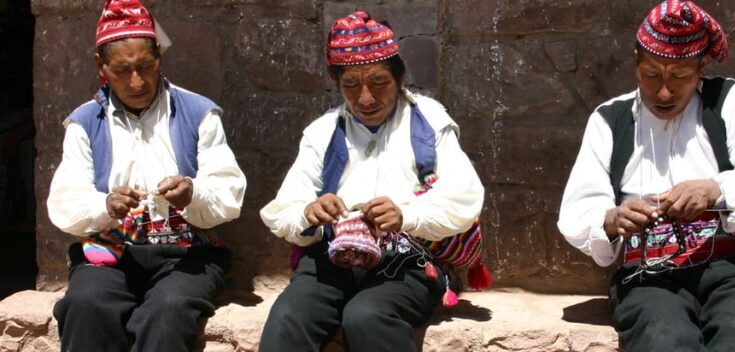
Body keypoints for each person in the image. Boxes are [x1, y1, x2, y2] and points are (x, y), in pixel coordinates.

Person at [558, 1, 735, 351]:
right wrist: (612, 218)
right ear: (636, 64)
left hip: (734, 270)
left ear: (701, 68)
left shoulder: (727, 100)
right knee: (665, 339)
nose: (664, 91)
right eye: (652, 74)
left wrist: (715, 190)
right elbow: (576, 212)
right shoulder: (609, 120)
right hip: (649, 277)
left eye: (679, 76)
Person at [258, 11, 484, 352]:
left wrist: (407, 216)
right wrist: (309, 213)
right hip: (333, 257)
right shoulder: (323, 132)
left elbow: (465, 198)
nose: (365, 98)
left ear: (399, 77)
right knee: (290, 315)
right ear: (336, 82)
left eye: (379, 82)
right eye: (351, 84)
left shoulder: (430, 123)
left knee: (367, 316)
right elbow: (281, 209)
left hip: (407, 259)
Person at [47, 0, 246, 350]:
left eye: (145, 66)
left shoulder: (199, 113)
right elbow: (65, 202)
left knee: (168, 312)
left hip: (187, 256)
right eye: (122, 70)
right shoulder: (83, 123)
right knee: (85, 305)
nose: (136, 81)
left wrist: (192, 194)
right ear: (102, 66)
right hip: (110, 253)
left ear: (159, 60)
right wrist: (106, 205)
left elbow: (228, 194)